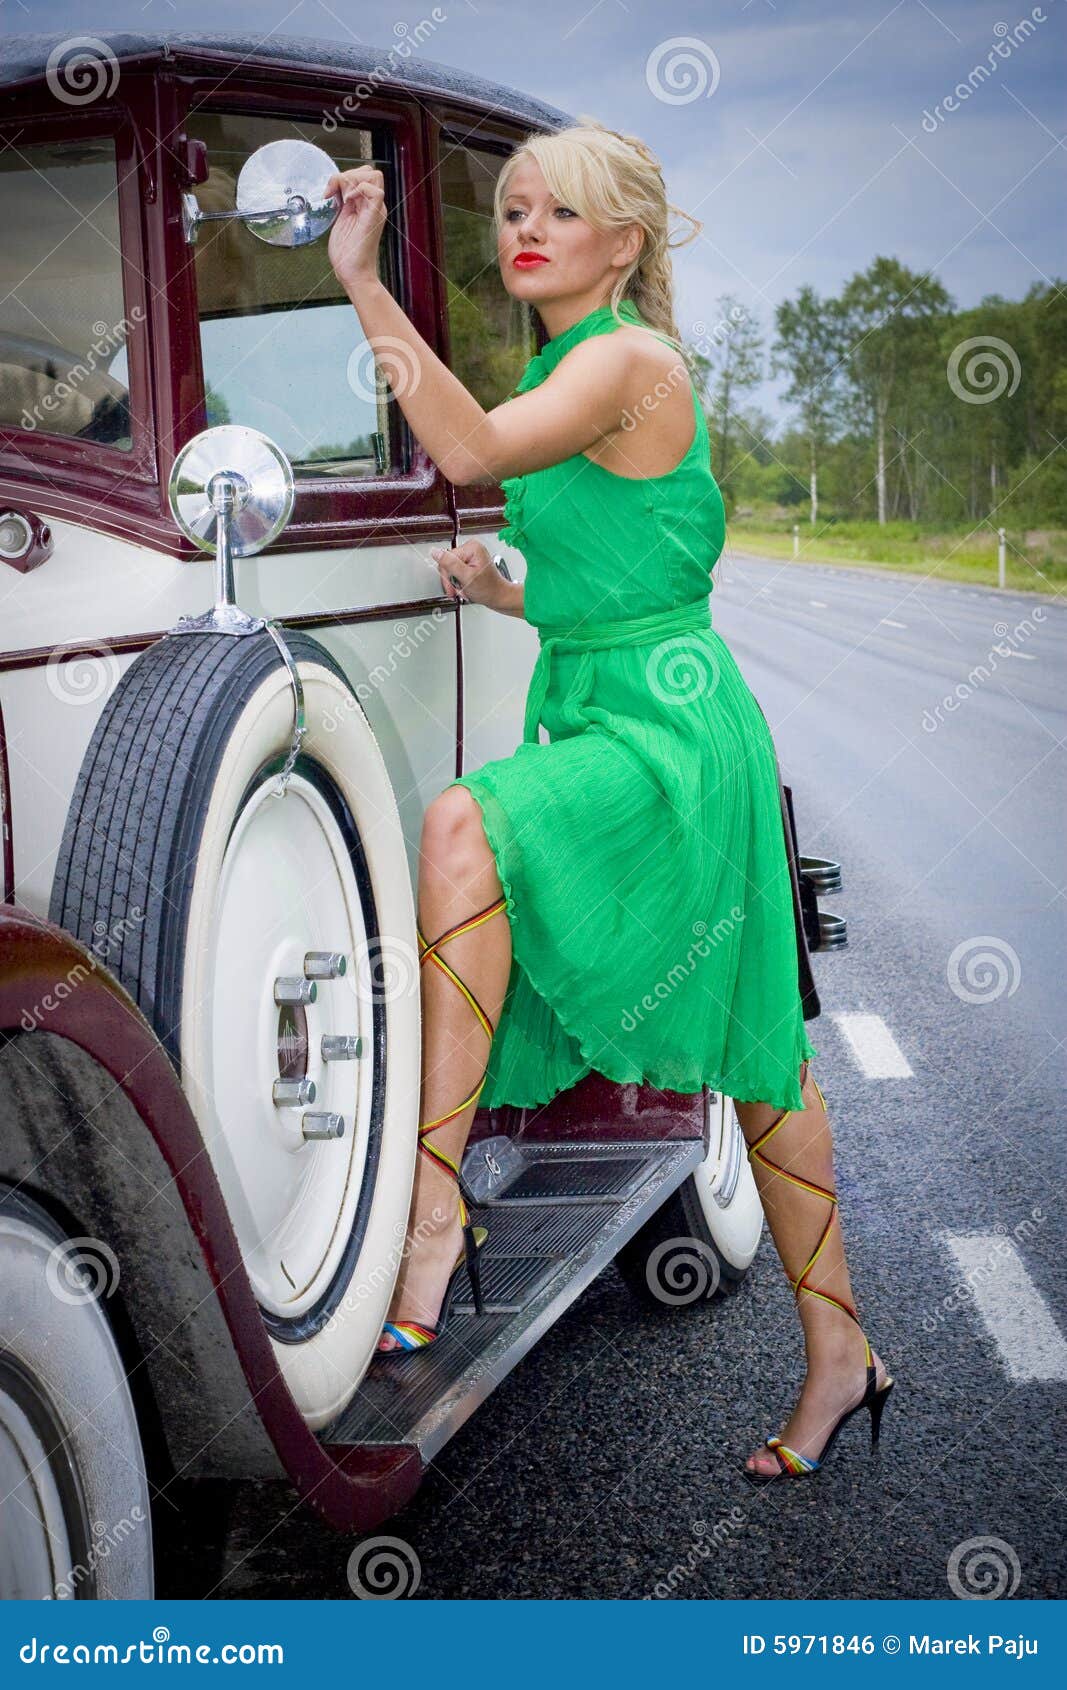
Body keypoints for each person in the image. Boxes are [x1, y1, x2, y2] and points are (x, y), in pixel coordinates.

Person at [324, 118, 893, 1480]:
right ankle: (841, 1350)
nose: (524, 228)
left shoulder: (627, 357)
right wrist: (502, 582)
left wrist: (358, 275)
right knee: (752, 1046)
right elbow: (619, 564)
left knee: (479, 835)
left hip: (671, 728)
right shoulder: (573, 366)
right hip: (603, 699)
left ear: (624, 243)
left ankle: (431, 1209)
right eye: (513, 209)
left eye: (559, 214)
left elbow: (464, 450)